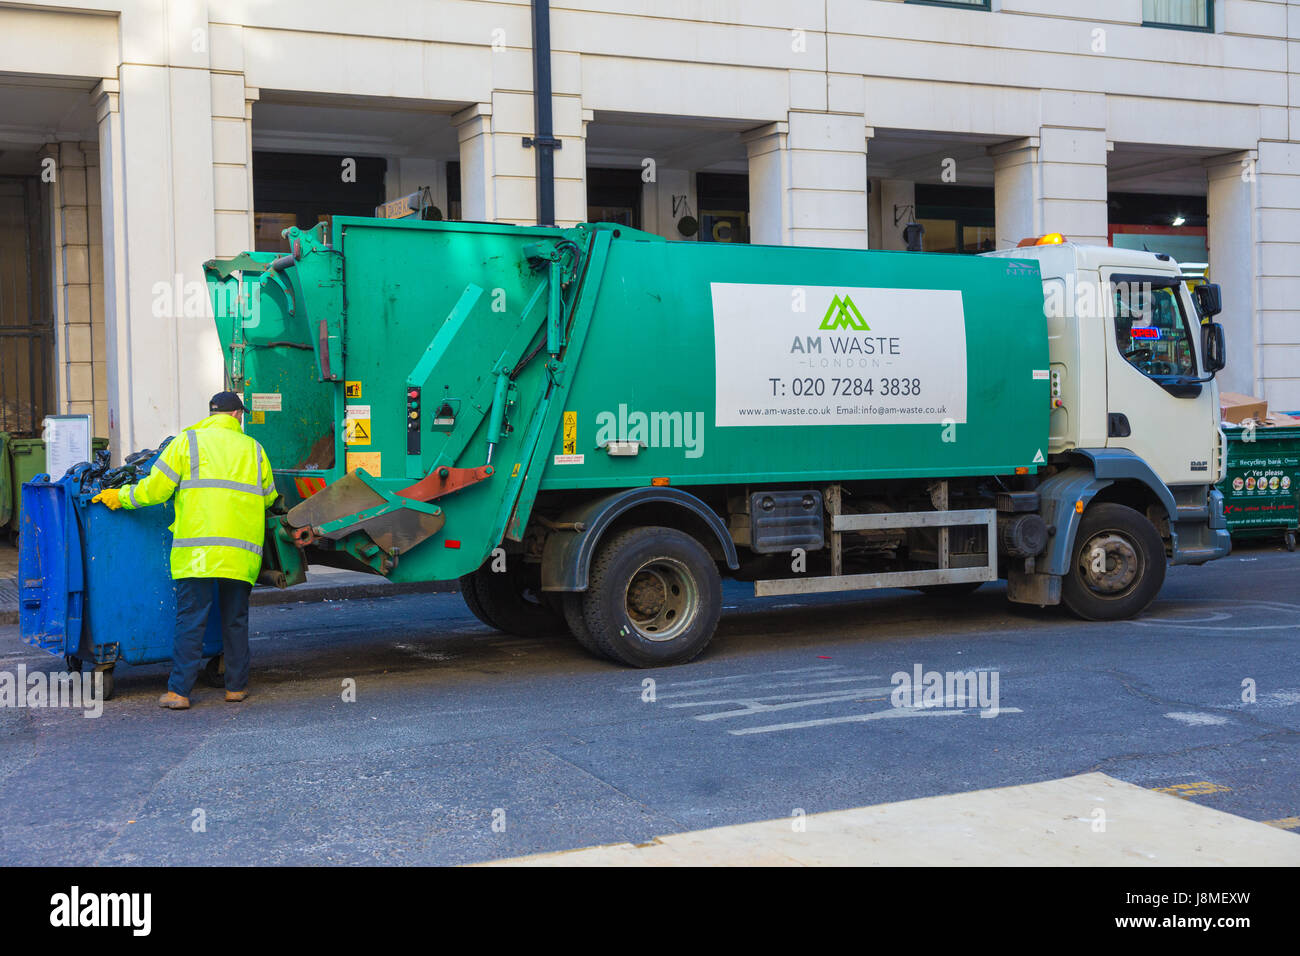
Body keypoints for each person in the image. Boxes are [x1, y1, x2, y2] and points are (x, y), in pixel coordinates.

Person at [92, 391, 278, 709]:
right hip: (240, 554)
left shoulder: (187, 442)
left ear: (211, 413)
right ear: (236, 415)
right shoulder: (254, 449)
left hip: (198, 552)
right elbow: (269, 497)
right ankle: (235, 687)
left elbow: (155, 489)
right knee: (235, 620)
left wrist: (120, 497)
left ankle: (179, 692)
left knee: (192, 620)